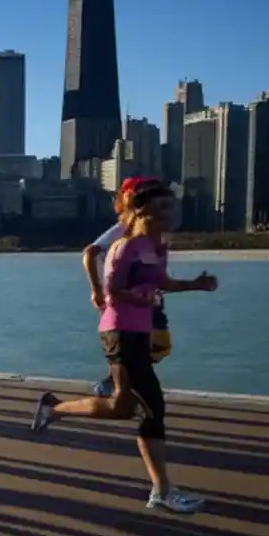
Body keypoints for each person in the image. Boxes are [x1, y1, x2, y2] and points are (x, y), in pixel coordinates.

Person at [32, 180, 217, 513]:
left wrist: (195, 285)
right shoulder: (125, 247)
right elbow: (113, 290)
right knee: (153, 406)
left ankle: (53, 408)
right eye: (162, 208)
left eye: (171, 208)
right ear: (142, 209)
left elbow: (162, 283)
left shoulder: (157, 246)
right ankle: (161, 490)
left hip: (139, 331)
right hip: (119, 331)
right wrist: (138, 296)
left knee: (121, 406)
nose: (169, 214)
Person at [84, 177, 175, 398]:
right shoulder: (123, 228)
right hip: (124, 298)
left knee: (158, 345)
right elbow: (91, 252)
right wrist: (96, 289)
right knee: (141, 344)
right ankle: (122, 382)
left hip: (149, 297)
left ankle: (126, 379)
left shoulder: (153, 227)